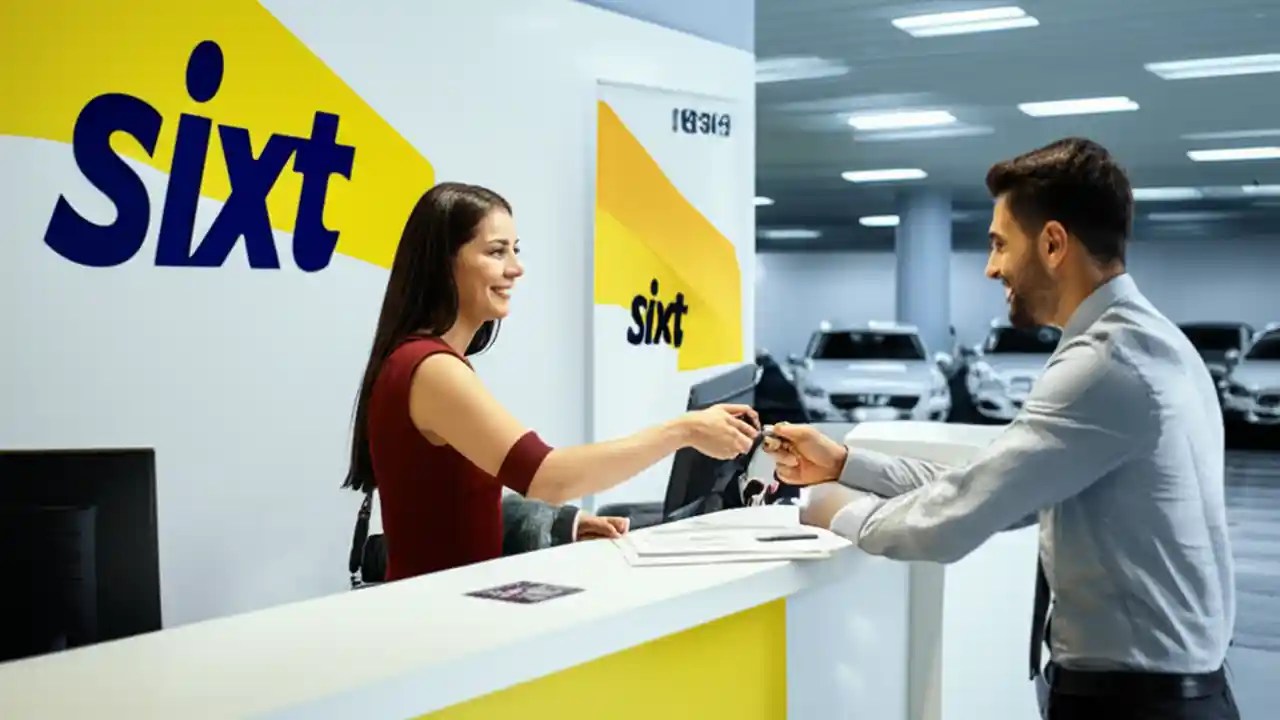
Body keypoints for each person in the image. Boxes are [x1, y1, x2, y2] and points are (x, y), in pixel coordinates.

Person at [763, 138, 1238, 719]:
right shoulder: (1150, 341)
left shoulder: (1106, 364)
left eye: (998, 244)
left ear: (1053, 243)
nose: (991, 268)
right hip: (1158, 694)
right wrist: (845, 464)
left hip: (1135, 705)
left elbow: (957, 517)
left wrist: (832, 509)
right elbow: (999, 483)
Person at [344, 182, 759, 582]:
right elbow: (547, 477)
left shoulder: (422, 362)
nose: (515, 268)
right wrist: (681, 431)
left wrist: (566, 524)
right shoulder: (432, 370)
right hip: (443, 616)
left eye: (515, 250)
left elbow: (450, 506)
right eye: (496, 251)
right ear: (444, 264)